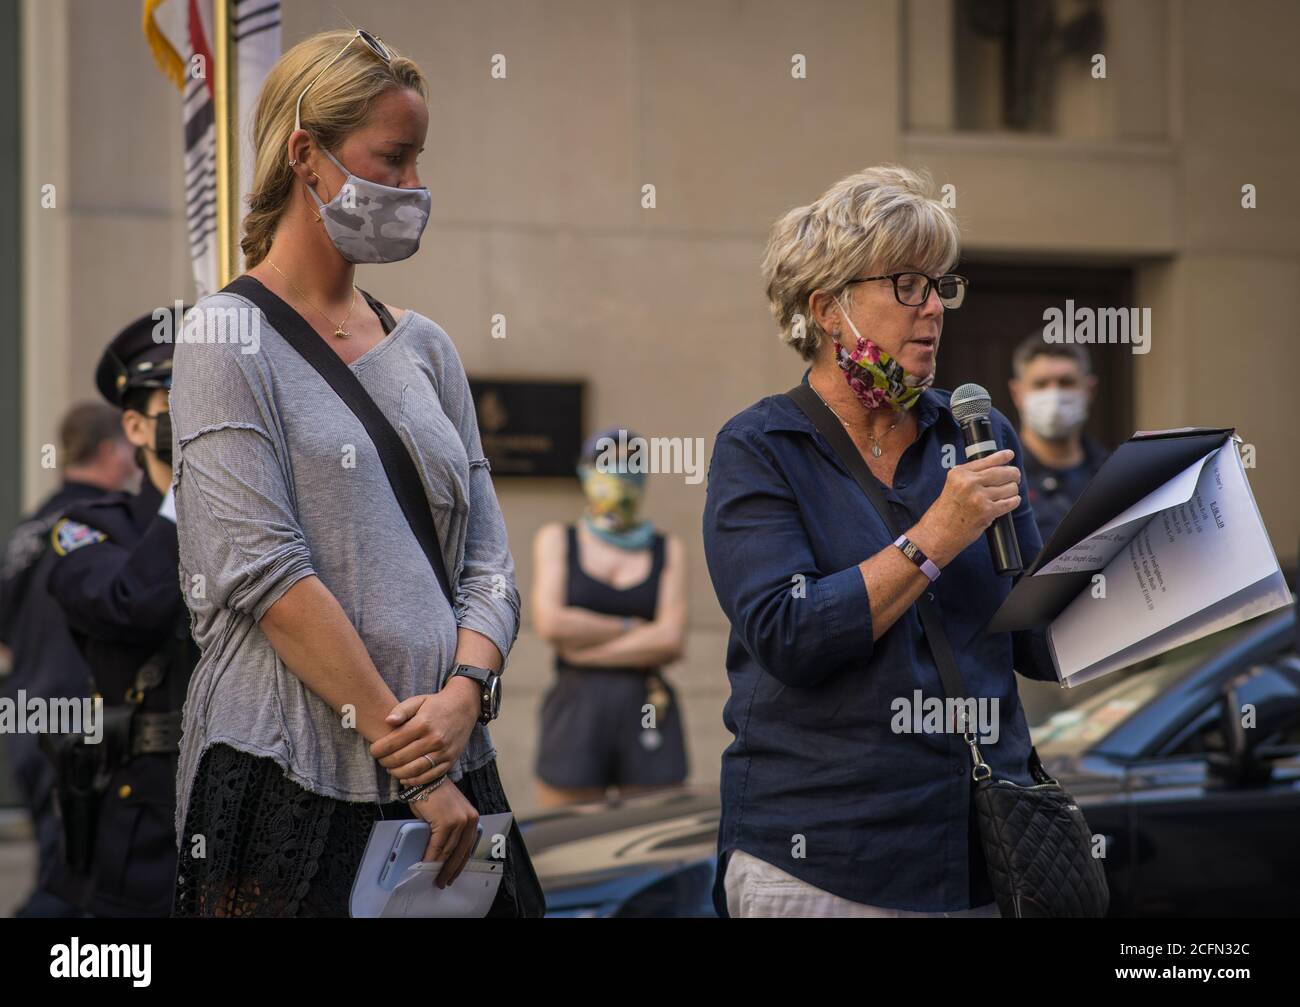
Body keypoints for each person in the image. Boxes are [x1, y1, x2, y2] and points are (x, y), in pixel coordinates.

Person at [168, 28, 542, 917]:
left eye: (419, 161)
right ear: (308, 156)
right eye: (393, 158)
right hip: (292, 770)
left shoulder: (427, 346)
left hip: (455, 759)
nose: (413, 188)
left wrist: (465, 692)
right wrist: (414, 761)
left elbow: (488, 557)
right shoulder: (225, 338)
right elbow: (266, 573)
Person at [702, 165, 1058, 918]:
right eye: (906, 284)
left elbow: (1036, 643)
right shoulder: (762, 446)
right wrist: (936, 534)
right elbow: (788, 631)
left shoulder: (978, 431)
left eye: (940, 286)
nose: (932, 307)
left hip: (980, 857)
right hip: (824, 861)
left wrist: (1148, 577)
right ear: (828, 310)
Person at [45, 311, 198, 917]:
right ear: (135, 426)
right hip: (148, 808)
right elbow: (130, 606)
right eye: (182, 400)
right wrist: (191, 489)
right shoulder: (88, 527)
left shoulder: (251, 521)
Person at [0, 402, 134, 916]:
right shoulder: (105, 528)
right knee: (72, 882)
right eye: (129, 448)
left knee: (64, 868)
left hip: (26, 721)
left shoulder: (28, 532)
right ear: (108, 450)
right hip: (79, 725)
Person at [532, 428, 689, 808]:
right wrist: (630, 628)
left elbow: (670, 640)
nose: (619, 473)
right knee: (569, 842)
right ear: (585, 472)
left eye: (631, 464)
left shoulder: (668, 548)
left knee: (650, 840)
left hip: (648, 705)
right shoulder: (557, 539)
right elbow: (551, 622)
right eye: (607, 462)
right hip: (575, 708)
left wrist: (584, 650)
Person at [1007, 335, 1109, 544]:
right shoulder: (1002, 477)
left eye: (1066, 382)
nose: (1054, 394)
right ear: (1017, 393)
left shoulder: (1113, 474)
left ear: (1090, 390)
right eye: (1041, 384)